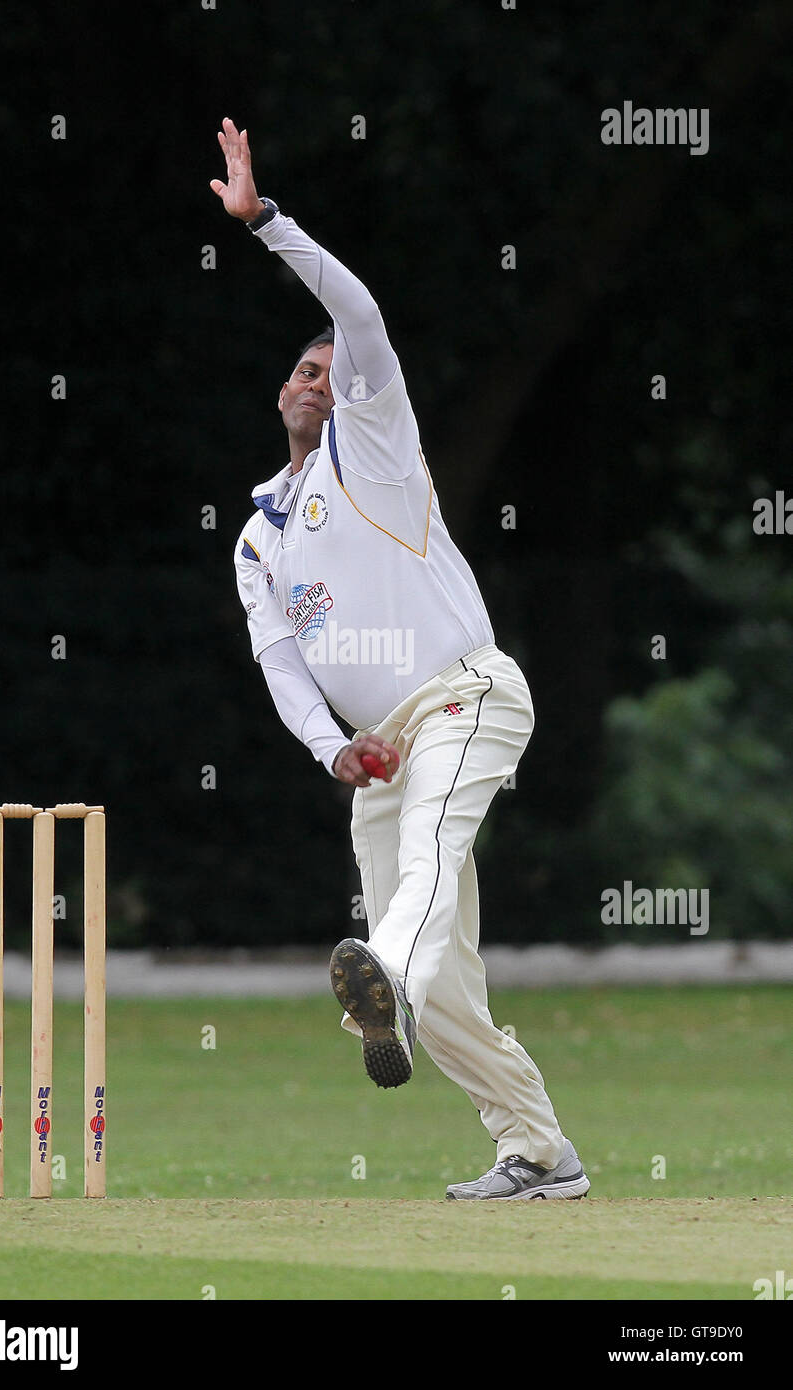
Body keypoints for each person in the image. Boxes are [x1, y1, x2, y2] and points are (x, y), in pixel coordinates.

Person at [213, 117, 589, 1201]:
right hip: (375, 747)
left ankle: (382, 982)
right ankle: (537, 1149)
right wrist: (333, 749)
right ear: (279, 389)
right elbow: (281, 664)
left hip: (466, 694)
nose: (314, 376)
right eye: (301, 367)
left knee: (414, 887)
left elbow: (357, 311)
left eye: (330, 368)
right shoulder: (255, 536)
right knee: (443, 970)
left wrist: (265, 222)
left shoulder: (372, 438)